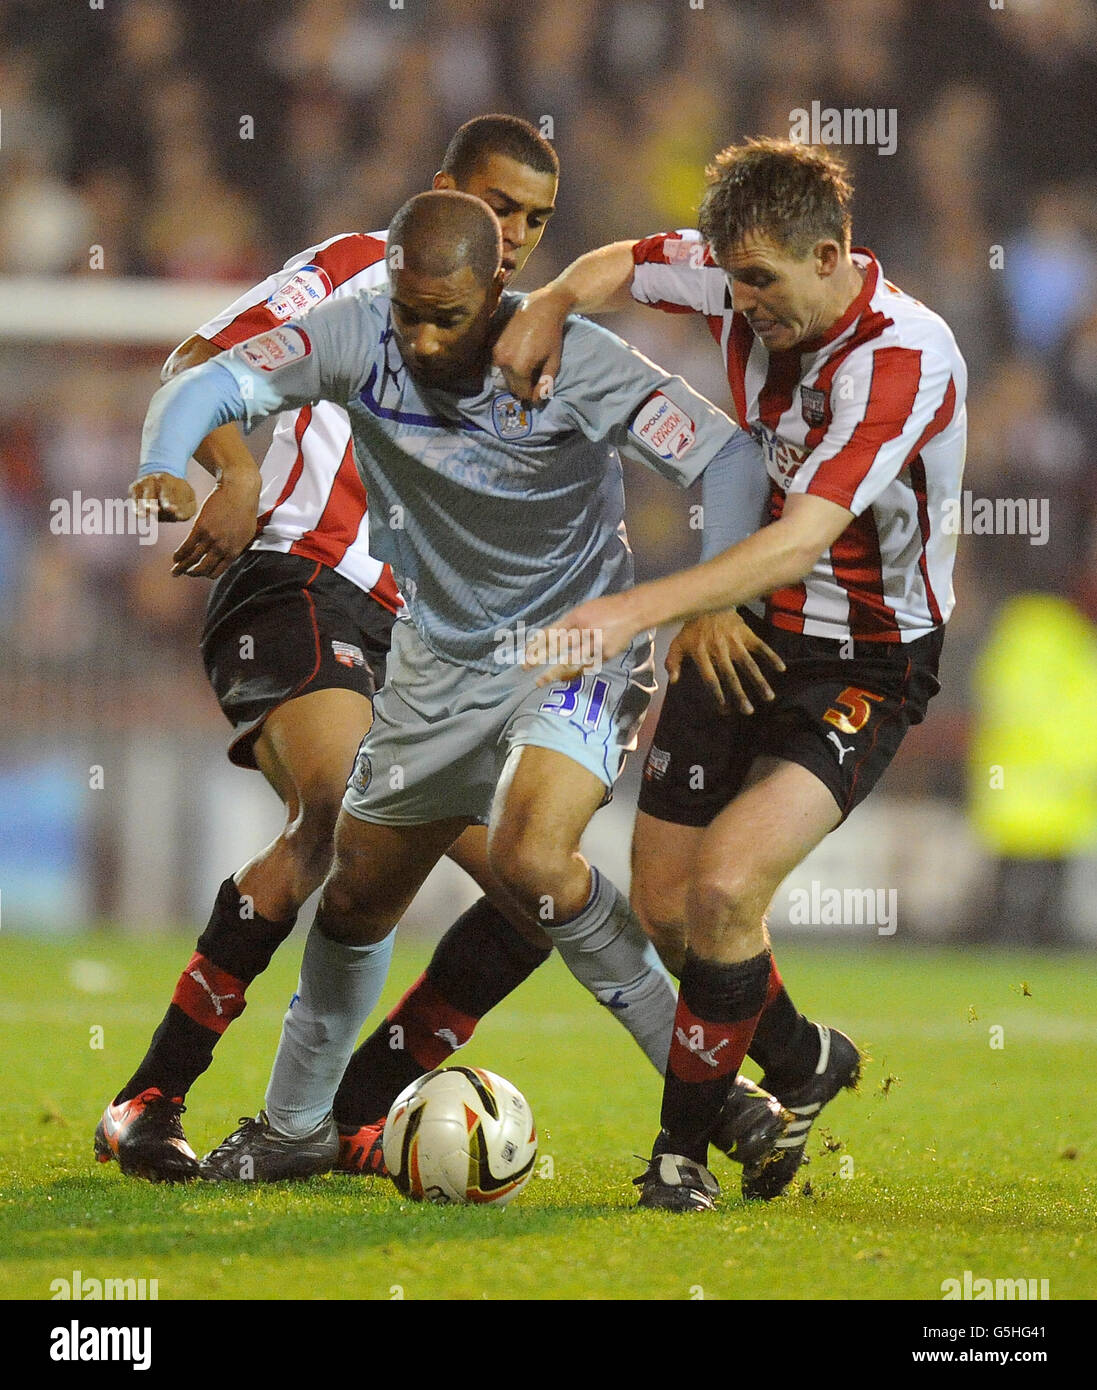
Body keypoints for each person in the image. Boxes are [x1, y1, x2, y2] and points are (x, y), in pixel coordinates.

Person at [128, 189, 781, 1187]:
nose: (425, 340)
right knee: (353, 892)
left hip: (573, 649)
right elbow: (207, 382)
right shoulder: (356, 330)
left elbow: (728, 458)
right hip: (435, 660)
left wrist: (717, 594)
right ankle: (299, 1124)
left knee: (530, 854)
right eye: (410, 313)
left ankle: (712, 1093)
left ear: (500, 284)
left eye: (448, 315)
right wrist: (171, 461)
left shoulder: (580, 361)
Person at [495, 137, 968, 1210]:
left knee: (722, 887)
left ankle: (679, 1157)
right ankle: (802, 1063)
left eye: (759, 280)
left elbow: (801, 539)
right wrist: (550, 301)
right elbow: (619, 262)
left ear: (831, 253)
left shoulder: (904, 356)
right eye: (729, 276)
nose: (739, 299)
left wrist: (635, 608)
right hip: (739, 623)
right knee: (665, 906)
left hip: (864, 657)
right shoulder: (732, 266)